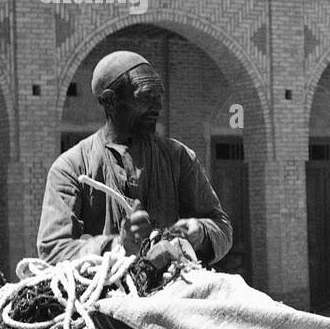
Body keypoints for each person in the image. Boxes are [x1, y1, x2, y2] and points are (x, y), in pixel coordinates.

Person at [37, 50, 233, 265]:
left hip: (173, 289)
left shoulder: (179, 157)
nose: (157, 106)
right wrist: (119, 246)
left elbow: (222, 227)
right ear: (110, 101)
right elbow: (54, 250)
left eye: (158, 96)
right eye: (145, 97)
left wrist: (200, 233)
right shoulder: (72, 167)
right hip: (106, 293)